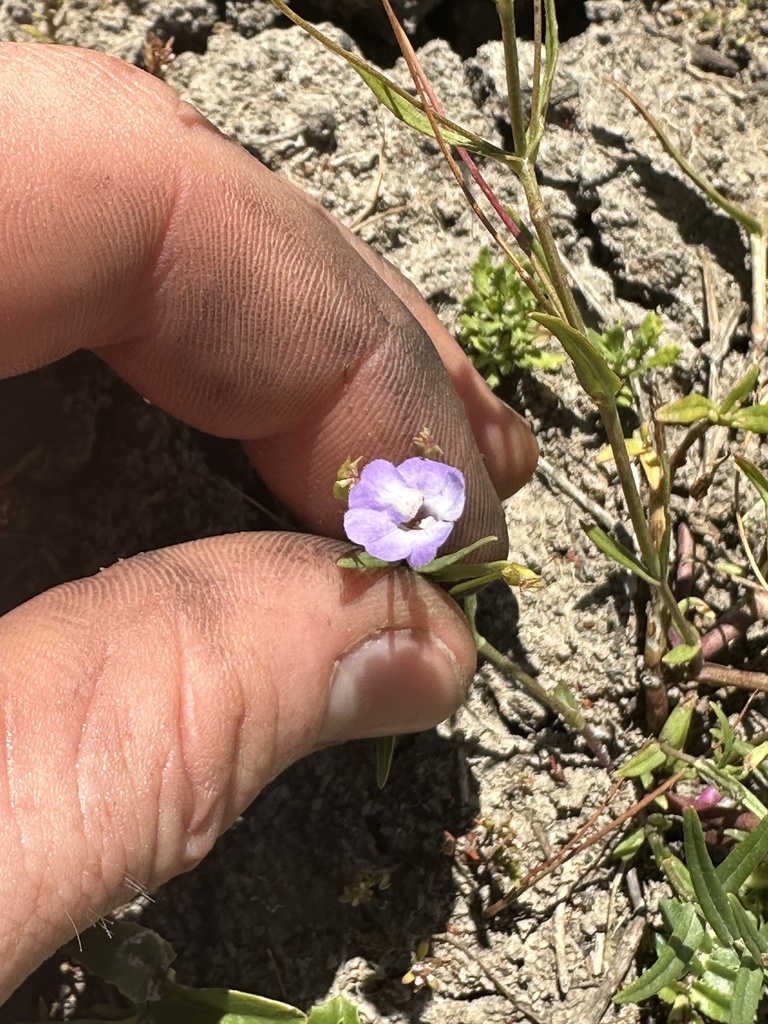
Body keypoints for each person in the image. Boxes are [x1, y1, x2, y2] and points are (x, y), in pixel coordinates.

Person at [0, 42, 537, 1004]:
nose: (414, 508)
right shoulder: (393, 514)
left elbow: (429, 505)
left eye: (415, 507)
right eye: (405, 507)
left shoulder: (417, 506)